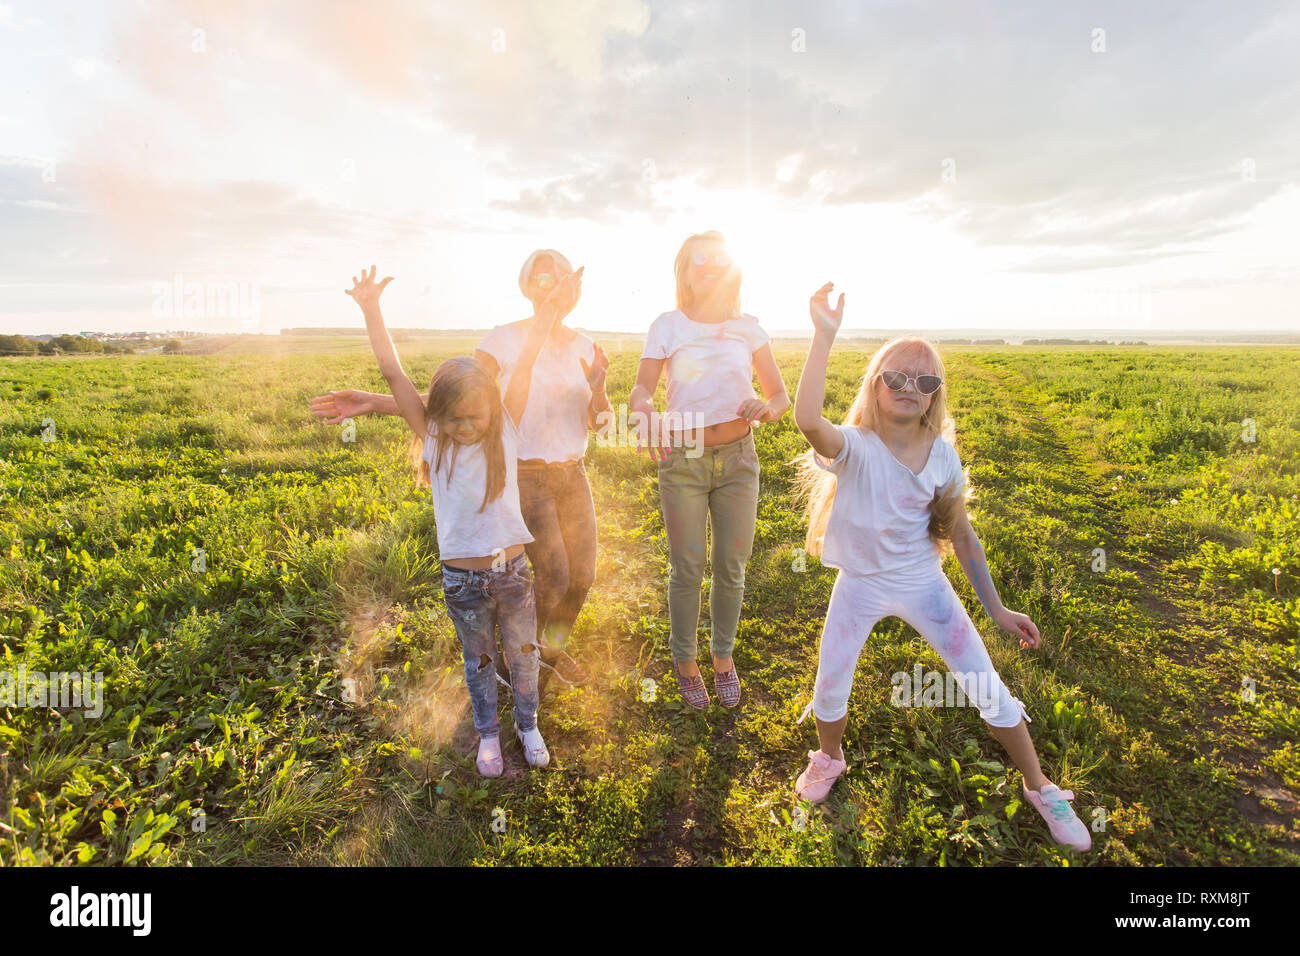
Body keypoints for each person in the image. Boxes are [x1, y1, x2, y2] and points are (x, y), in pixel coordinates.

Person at [789, 281, 1091, 852]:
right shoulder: (853, 444)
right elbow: (808, 420)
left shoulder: (942, 453)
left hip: (923, 583)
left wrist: (998, 607)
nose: (910, 388)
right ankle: (829, 757)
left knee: (986, 686)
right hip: (860, 585)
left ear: (934, 396)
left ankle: (1040, 786)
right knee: (830, 686)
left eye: (924, 382)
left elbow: (962, 535)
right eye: (896, 378)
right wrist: (822, 337)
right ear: (875, 386)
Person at [312, 250, 610, 694]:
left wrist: (601, 389)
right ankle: (524, 656)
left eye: (562, 278)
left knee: (581, 576)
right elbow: (456, 405)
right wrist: (377, 397)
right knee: (555, 577)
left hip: (573, 472)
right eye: (544, 279)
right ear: (528, 287)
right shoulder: (502, 341)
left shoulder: (586, 345)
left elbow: (598, 421)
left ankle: (547, 651)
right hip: (524, 475)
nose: (554, 286)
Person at [340, 263, 581, 777]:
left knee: (524, 655)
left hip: (512, 574)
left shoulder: (505, 433)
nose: (467, 426)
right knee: (479, 662)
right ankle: (489, 734)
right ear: (437, 415)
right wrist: (371, 309)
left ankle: (528, 724)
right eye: (455, 418)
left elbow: (528, 359)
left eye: (476, 416)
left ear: (493, 411)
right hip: (462, 580)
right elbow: (394, 374)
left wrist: (548, 310)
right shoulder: (432, 438)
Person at [629, 231, 790, 709]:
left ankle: (722, 659)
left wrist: (766, 407)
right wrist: (645, 413)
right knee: (688, 566)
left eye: (719, 258)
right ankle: (685, 663)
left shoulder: (749, 327)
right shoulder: (667, 325)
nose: (709, 264)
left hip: (740, 460)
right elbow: (642, 390)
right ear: (684, 269)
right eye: (698, 258)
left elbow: (780, 397)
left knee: (731, 567)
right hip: (684, 461)